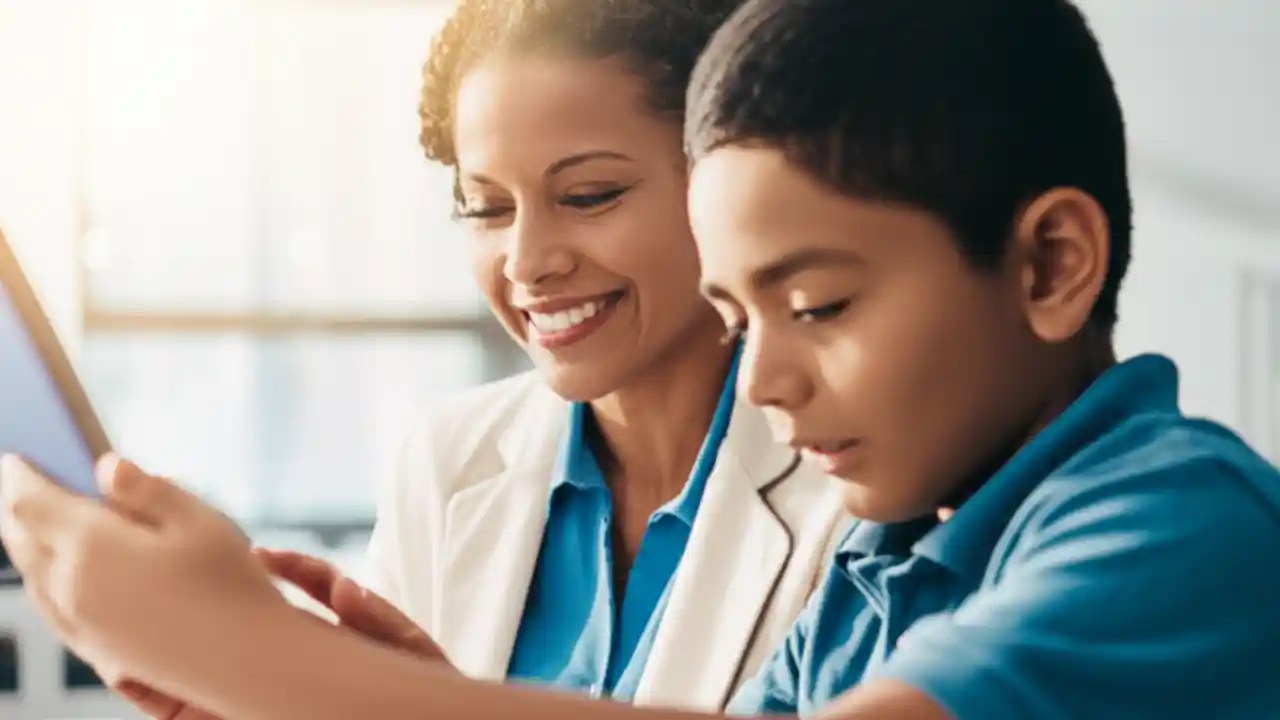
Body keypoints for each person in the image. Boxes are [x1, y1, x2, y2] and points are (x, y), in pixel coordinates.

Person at [5, 0, 1280, 717]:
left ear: (1050, 264)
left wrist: (273, 665)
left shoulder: (1180, 525)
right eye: (741, 314)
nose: (765, 384)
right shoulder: (882, 571)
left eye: (819, 305)